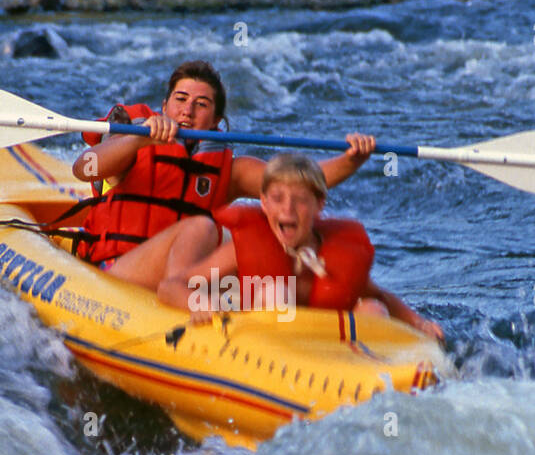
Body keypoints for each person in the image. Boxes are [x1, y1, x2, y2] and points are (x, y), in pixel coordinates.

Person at [71, 60, 375, 289]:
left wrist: (352, 160)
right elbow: (84, 169)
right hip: (118, 273)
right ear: (164, 106)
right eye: (180, 99)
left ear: (217, 120)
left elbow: (299, 182)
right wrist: (137, 138)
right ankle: (178, 297)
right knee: (201, 228)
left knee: (257, 233)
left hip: (186, 279)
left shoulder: (229, 170)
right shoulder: (133, 143)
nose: (187, 110)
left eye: (201, 104)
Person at [157, 153, 445, 341]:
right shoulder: (247, 246)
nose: (288, 209)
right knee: (273, 290)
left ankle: (367, 379)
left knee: (372, 309)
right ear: (264, 203)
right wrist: (201, 304)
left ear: (320, 205)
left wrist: (419, 325)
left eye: (300, 200)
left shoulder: (333, 253)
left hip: (319, 348)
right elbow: (171, 286)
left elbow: (378, 294)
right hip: (262, 345)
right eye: (278, 199)